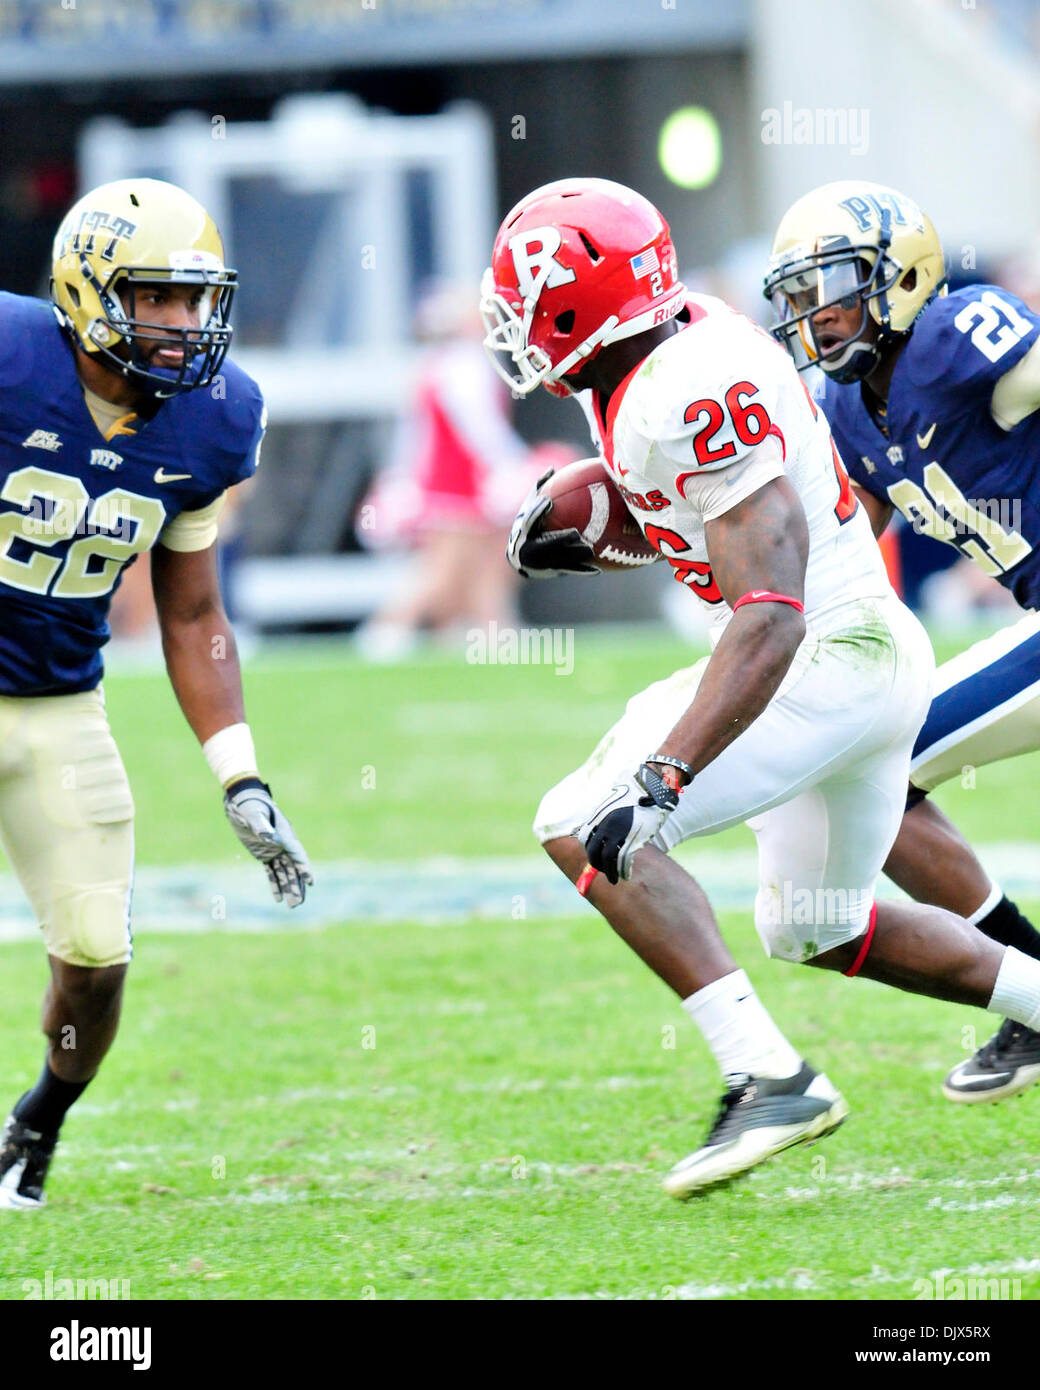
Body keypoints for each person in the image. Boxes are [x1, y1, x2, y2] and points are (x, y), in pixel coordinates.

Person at [483, 177, 1040, 1198]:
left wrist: (664, 772)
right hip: (854, 647)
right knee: (814, 921)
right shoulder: (685, 349)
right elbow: (752, 520)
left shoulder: (683, 381)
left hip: (821, 651)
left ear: (583, 299)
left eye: (529, 297)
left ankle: (766, 1076)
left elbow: (772, 602)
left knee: (580, 818)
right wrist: (627, 518)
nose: (512, 321)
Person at [0, 178, 312, 1210]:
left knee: (94, 959)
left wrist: (242, 775)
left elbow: (191, 615)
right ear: (88, 291)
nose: (183, 325)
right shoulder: (8, 358)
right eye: (157, 299)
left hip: (55, 697)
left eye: (195, 301)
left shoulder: (214, 423)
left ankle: (34, 1129)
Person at [765, 181, 1040, 1103]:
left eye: (830, 289)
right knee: (872, 766)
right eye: (798, 298)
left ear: (899, 275)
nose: (814, 316)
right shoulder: (847, 414)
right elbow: (837, 556)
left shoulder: (961, 340)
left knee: (882, 758)